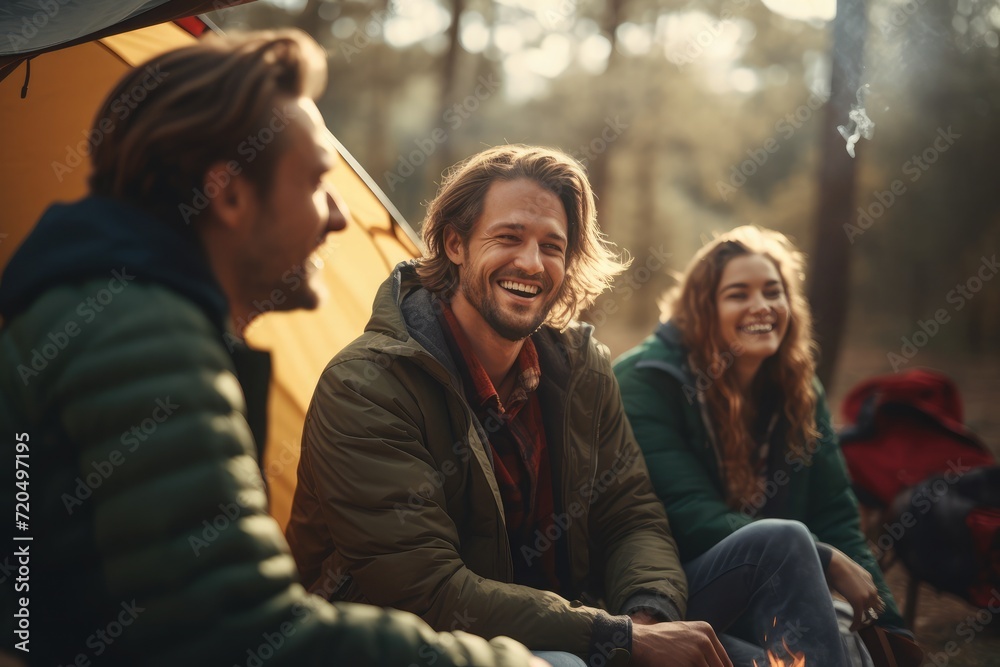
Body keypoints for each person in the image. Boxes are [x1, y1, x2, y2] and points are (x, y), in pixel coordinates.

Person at [0, 31, 539, 667]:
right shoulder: (141, 332)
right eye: (315, 180)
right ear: (227, 193)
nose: (337, 215)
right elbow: (242, 636)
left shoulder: (113, 307)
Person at [286, 146, 857, 667]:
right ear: (455, 245)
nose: (532, 264)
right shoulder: (369, 385)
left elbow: (632, 515)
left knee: (778, 549)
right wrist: (614, 639)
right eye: (508, 237)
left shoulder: (579, 368)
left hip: (579, 622)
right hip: (409, 644)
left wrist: (646, 617)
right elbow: (428, 591)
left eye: (552, 246)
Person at [613, 226, 908, 658]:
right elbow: (685, 513)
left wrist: (893, 629)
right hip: (674, 591)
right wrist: (821, 557)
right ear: (703, 309)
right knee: (785, 540)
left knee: (849, 650)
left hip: (778, 588)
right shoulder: (647, 380)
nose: (762, 307)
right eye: (738, 294)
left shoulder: (799, 388)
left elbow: (835, 512)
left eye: (774, 292)